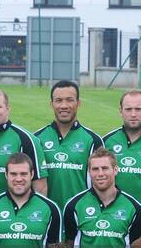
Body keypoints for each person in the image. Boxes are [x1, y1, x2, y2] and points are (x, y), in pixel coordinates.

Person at [63, 148, 141, 248]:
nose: (100, 173)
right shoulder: (74, 205)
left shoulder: (134, 207)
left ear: (115, 170)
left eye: (105, 168)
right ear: (89, 172)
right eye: (95, 169)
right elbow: (68, 246)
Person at [33, 80, 104, 209]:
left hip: (82, 214)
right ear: (52, 104)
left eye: (70, 100)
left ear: (78, 103)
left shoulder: (93, 140)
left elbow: (101, 182)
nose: (64, 105)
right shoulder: (36, 139)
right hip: (46, 215)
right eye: (58, 100)